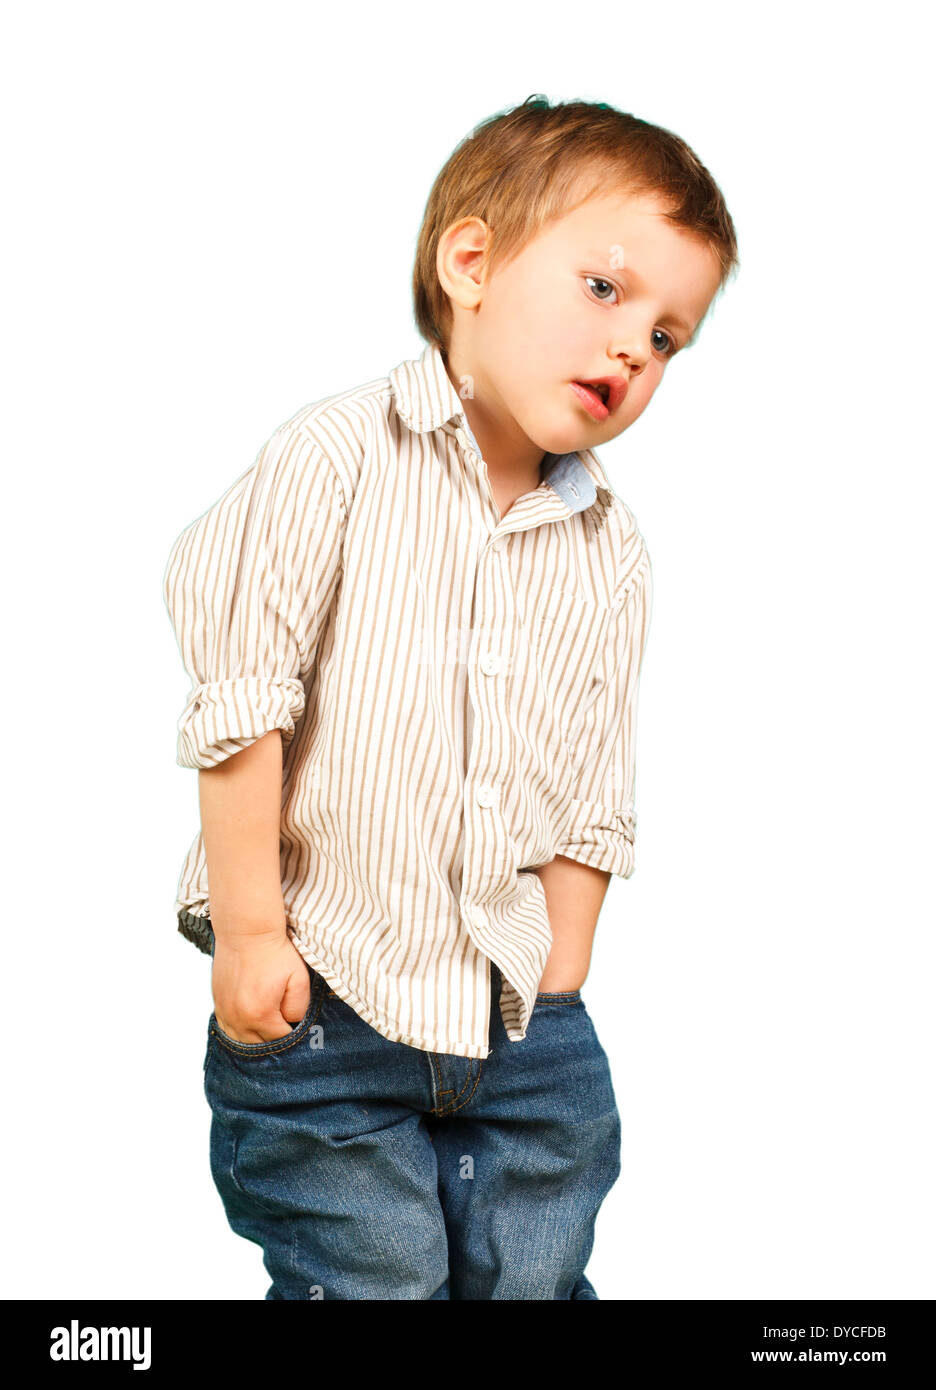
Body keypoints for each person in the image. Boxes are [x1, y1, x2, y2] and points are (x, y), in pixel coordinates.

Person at [163, 94, 738, 1300]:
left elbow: (592, 764)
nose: (637, 347)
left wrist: (566, 947)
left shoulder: (609, 549)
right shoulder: (336, 459)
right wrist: (255, 933)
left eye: (671, 336)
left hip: (512, 1015)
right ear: (471, 263)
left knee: (538, 1265)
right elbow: (244, 700)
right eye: (606, 290)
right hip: (327, 990)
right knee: (372, 1271)